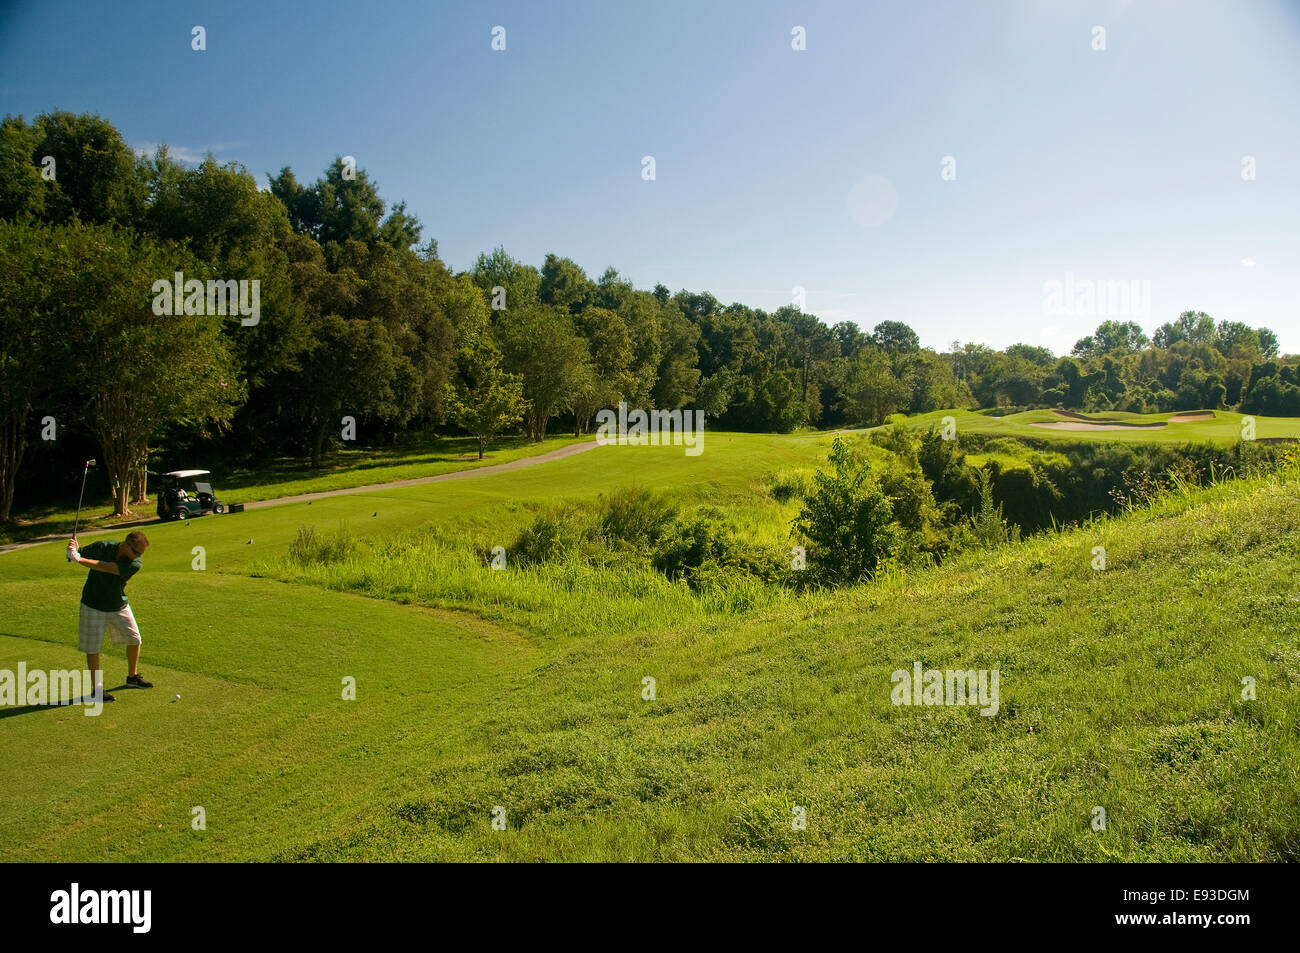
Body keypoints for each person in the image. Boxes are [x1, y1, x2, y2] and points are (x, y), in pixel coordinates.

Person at [66, 531, 153, 702]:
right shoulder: (103, 547)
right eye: (136, 552)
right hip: (92, 604)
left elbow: (106, 567)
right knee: (93, 648)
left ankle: (132, 677)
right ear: (126, 544)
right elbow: (78, 552)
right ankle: (98, 690)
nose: (138, 557)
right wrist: (72, 549)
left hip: (117, 605)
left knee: (135, 638)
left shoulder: (135, 564)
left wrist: (79, 559)